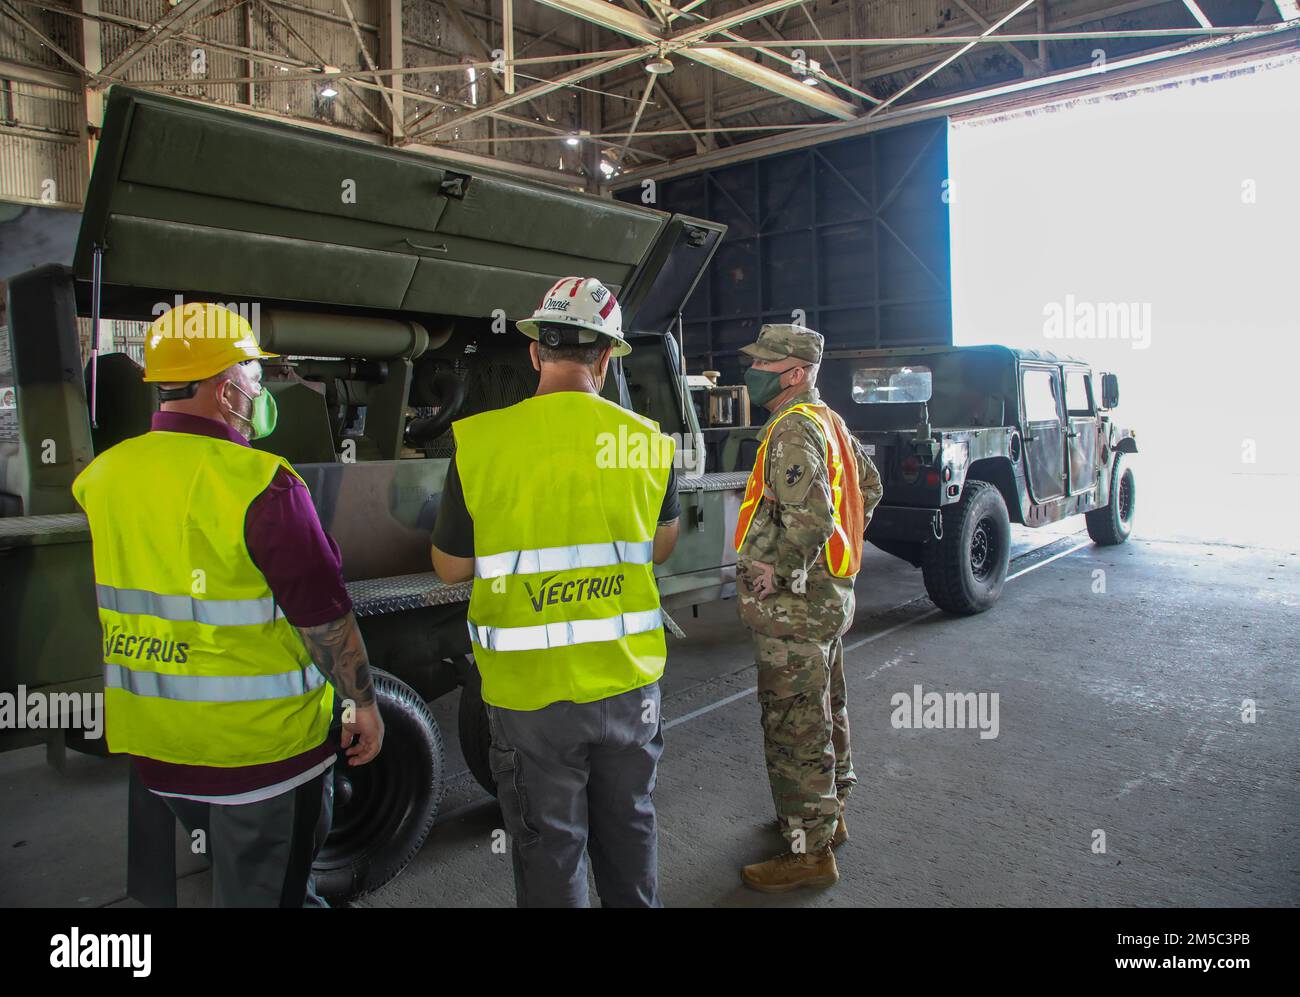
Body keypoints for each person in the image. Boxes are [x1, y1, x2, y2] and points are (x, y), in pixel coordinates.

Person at [72, 301, 384, 907]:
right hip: (259, 759)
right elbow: (323, 618)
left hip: (158, 747)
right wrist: (361, 703)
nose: (261, 390)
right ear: (224, 386)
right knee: (270, 894)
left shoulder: (104, 477)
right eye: (256, 376)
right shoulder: (264, 484)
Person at [431, 276, 680, 907]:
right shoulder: (645, 442)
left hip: (530, 694)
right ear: (605, 358)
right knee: (629, 830)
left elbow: (452, 568)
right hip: (627, 685)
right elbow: (660, 545)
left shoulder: (480, 444)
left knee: (550, 850)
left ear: (537, 351)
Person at [733, 323, 882, 893]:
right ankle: (829, 813)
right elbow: (868, 488)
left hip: (794, 611)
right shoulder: (830, 421)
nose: (753, 371)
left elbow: (813, 519)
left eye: (764, 364)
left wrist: (785, 569)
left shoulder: (793, 429)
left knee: (794, 727)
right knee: (826, 709)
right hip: (828, 601)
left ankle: (808, 852)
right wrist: (829, 564)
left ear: (794, 373)